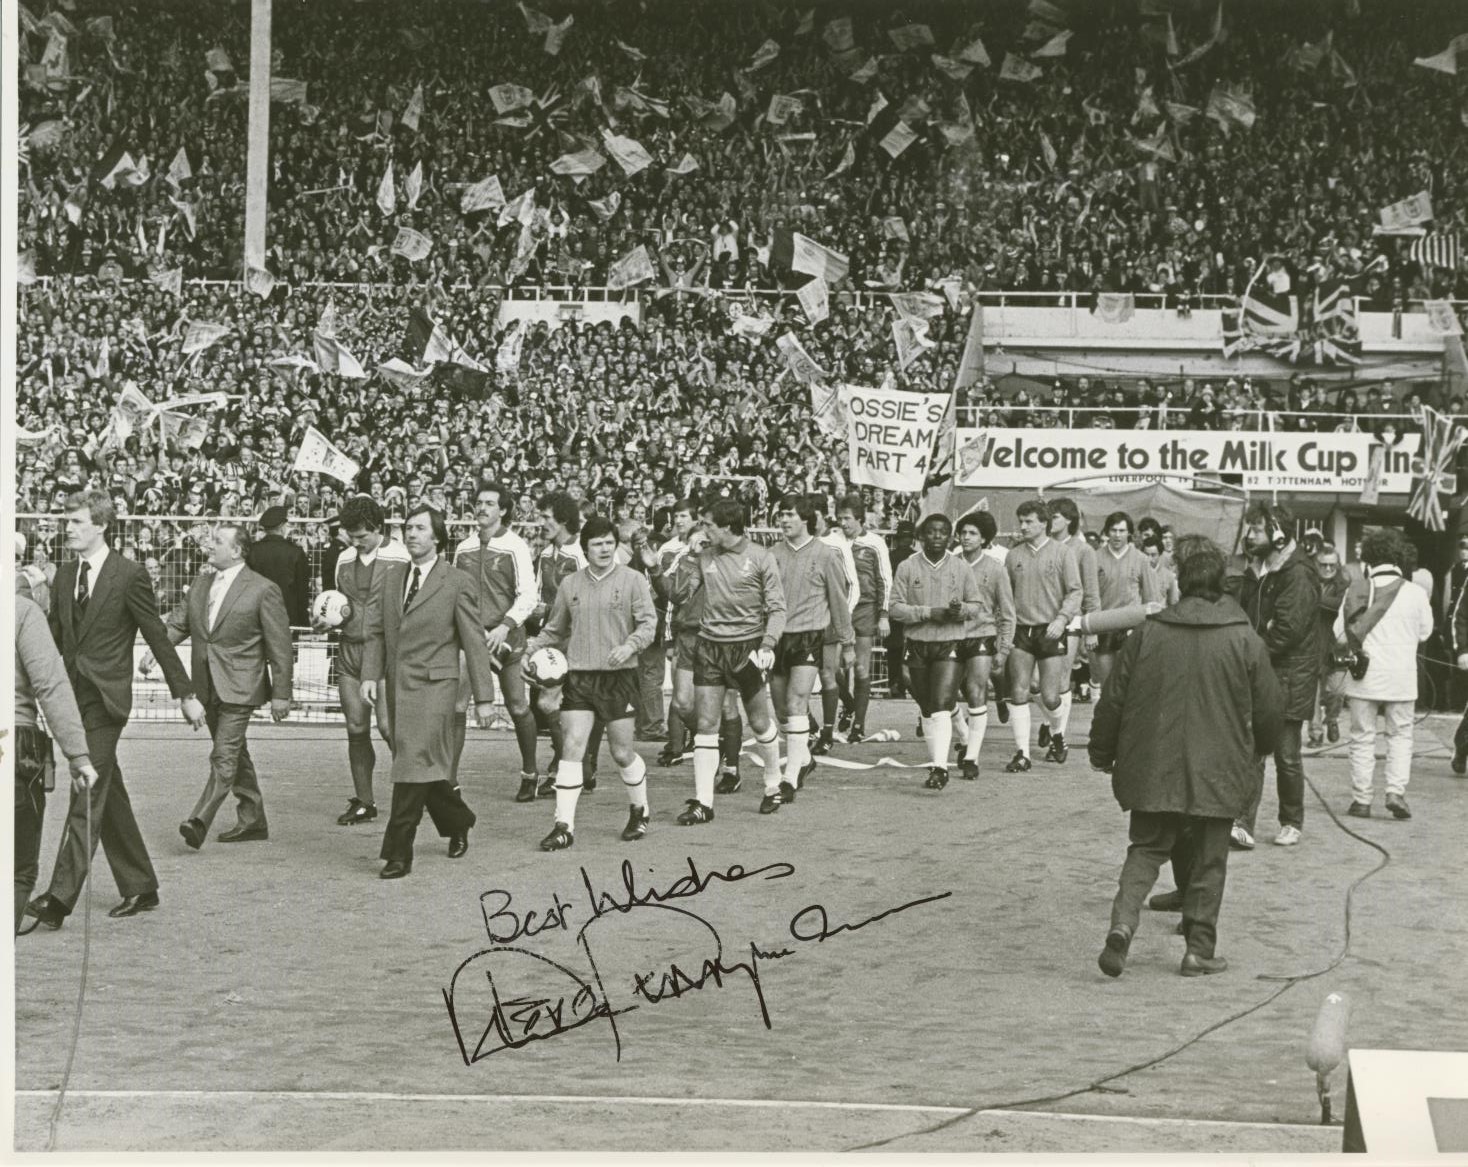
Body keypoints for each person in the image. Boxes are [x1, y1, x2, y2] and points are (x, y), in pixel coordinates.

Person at [1089, 535, 1282, 979]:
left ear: (1179, 581)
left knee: (1145, 850)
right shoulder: (1244, 638)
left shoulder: (1149, 632)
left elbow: (1113, 699)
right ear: (1222, 584)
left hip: (1154, 763)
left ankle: (1121, 926)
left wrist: (1102, 751)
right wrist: (1262, 748)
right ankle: (1198, 950)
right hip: (1219, 765)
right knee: (1210, 859)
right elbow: (1271, 708)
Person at [27, 490, 205, 930]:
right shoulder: (65, 575)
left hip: (107, 703)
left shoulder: (129, 575)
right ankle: (141, 885)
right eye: (67, 521)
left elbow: (158, 637)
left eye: (77, 522)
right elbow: (51, 638)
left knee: (85, 788)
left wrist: (185, 694)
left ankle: (59, 899)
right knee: (109, 793)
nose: (68, 528)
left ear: (102, 525)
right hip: (70, 701)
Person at [360, 505, 496, 879]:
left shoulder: (456, 581)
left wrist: (484, 698)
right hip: (397, 687)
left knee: (411, 765)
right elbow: (373, 631)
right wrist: (370, 674)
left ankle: (398, 852)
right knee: (421, 765)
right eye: (408, 527)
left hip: (435, 688)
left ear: (437, 537)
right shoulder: (388, 577)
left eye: (420, 528)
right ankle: (459, 819)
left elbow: (474, 642)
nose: (412, 533)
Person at [155, 524, 293, 848]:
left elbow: (280, 645)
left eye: (217, 541)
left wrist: (282, 694)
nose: (209, 544)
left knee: (223, 754)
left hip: (241, 686)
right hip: (206, 684)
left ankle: (199, 820)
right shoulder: (201, 583)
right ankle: (254, 819)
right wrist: (154, 652)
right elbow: (178, 624)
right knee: (235, 752)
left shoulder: (263, 589)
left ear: (236, 550)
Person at [526, 516, 658, 850]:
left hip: (620, 678)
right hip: (581, 677)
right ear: (585, 548)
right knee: (572, 746)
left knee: (621, 751)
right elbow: (555, 629)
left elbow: (648, 624)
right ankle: (563, 826)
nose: (604, 549)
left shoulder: (633, 580)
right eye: (597, 544)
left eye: (609, 543)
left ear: (616, 545)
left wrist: (629, 646)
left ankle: (639, 809)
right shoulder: (571, 584)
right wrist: (532, 648)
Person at [676, 498, 787, 826]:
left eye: (709, 524)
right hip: (709, 647)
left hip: (747, 647)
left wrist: (768, 643)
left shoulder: (760, 558)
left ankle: (772, 784)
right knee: (707, 725)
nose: (703, 530)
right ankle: (703, 802)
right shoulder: (704, 555)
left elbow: (778, 608)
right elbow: (679, 595)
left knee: (759, 722)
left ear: (728, 527)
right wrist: (685, 557)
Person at [1231, 501, 1321, 850]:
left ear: (1278, 535)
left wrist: (1251, 653)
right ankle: (1242, 823)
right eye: (1249, 529)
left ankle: (1291, 821)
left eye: (1256, 529)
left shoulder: (1297, 573)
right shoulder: (1261, 567)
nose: (1249, 536)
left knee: (1285, 754)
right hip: (1266, 672)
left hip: (1288, 678)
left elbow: (1285, 631)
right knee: (1252, 750)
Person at [323, 495, 411, 825]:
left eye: (362, 536)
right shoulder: (344, 558)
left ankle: (418, 790)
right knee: (356, 727)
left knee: (390, 728)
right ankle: (364, 800)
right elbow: (337, 603)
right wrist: (326, 618)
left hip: (386, 650)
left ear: (378, 528)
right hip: (350, 650)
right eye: (351, 536)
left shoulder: (400, 556)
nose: (356, 543)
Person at [1335, 529, 1433, 820]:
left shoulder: (1355, 589)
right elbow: (1426, 631)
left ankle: (1362, 800)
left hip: (1363, 677)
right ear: (1399, 558)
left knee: (1362, 737)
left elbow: (1339, 634)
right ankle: (1395, 792)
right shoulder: (1415, 592)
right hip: (1402, 678)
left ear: (1368, 558)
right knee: (1400, 736)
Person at [15, 594, 98, 934]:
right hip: (12, 743)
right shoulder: (20, 610)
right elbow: (50, 685)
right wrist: (78, 754)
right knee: (17, 871)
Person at [452, 481, 539, 802]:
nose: (482, 508)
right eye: (479, 502)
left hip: (505, 637)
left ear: (503, 510)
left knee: (517, 705)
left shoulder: (515, 546)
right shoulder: (463, 548)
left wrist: (505, 625)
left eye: (490, 503)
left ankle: (530, 773)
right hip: (470, 638)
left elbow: (528, 594)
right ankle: (450, 780)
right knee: (456, 706)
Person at [770, 497, 855, 808]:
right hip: (777, 636)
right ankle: (804, 759)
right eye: (780, 514)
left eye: (789, 514)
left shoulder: (826, 554)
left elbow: (838, 600)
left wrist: (847, 642)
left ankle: (790, 777)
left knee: (797, 701)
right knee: (782, 710)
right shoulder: (772, 555)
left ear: (804, 518)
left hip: (808, 637)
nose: (783, 519)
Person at [890, 514, 982, 788]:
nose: (937, 537)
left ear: (950, 537)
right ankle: (964, 737)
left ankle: (939, 768)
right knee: (928, 706)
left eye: (943, 532)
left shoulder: (961, 568)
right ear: (922, 536)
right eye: (931, 532)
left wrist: (961, 610)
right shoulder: (908, 567)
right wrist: (928, 613)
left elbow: (976, 604)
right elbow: (894, 607)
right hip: (917, 644)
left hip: (949, 643)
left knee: (941, 702)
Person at [1003, 499, 1083, 772]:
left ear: (1043, 523)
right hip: (1021, 631)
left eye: (1028, 522)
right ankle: (1022, 753)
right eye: (1021, 521)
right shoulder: (1013, 556)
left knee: (1050, 696)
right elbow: (1006, 596)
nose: (1023, 526)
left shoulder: (1062, 553)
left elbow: (1075, 591)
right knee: (1019, 691)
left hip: (1050, 630)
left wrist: (1062, 619)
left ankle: (1058, 734)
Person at [953, 511, 1015, 781]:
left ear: (984, 539)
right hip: (950, 637)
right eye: (963, 533)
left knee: (976, 690)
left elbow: (1008, 612)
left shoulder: (996, 569)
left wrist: (1003, 649)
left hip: (982, 635)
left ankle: (971, 758)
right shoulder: (950, 564)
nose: (966, 538)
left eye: (973, 533)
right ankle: (964, 736)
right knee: (943, 698)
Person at [835, 493, 893, 745]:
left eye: (847, 518)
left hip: (866, 608)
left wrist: (883, 615)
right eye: (840, 518)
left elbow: (885, 579)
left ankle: (858, 724)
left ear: (859, 518)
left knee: (860, 667)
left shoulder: (875, 543)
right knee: (831, 667)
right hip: (839, 610)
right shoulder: (833, 541)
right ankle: (848, 704)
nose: (843, 523)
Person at [1044, 497, 1100, 745]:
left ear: (1068, 520)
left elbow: (1091, 591)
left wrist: (1091, 628)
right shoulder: (1042, 546)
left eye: (1054, 516)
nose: (1050, 520)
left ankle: (1058, 736)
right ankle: (1050, 721)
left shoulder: (1083, 550)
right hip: (1042, 621)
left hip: (1072, 622)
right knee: (1040, 682)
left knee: (1063, 676)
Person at [810, 499, 859, 756]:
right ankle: (811, 724)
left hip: (828, 623)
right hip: (800, 623)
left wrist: (841, 619)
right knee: (787, 680)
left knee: (827, 673)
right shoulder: (798, 544)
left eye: (813, 517)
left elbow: (852, 586)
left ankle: (826, 734)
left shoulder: (837, 545)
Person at [1092, 512, 1160, 695]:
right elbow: (1089, 597)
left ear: (1129, 533)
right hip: (1103, 626)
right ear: (1106, 532)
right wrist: (1089, 631)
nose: (1117, 535)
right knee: (1107, 686)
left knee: (1131, 684)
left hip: (1131, 627)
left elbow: (1152, 600)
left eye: (1122, 530)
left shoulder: (1141, 559)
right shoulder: (1094, 558)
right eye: (1113, 530)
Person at [1308, 545, 1349, 749]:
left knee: (1337, 691)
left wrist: (1314, 600)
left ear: (1338, 564)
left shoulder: (1344, 583)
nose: (1327, 569)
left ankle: (1332, 719)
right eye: (1323, 565)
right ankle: (1316, 734)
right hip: (1313, 644)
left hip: (1335, 646)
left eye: (1332, 565)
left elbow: (1340, 604)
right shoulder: (1308, 581)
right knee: (1313, 693)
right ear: (1316, 564)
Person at [246, 505, 310, 628]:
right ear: (282, 526)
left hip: (257, 614)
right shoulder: (295, 552)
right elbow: (302, 591)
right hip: (287, 615)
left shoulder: (252, 551)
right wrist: (303, 622)